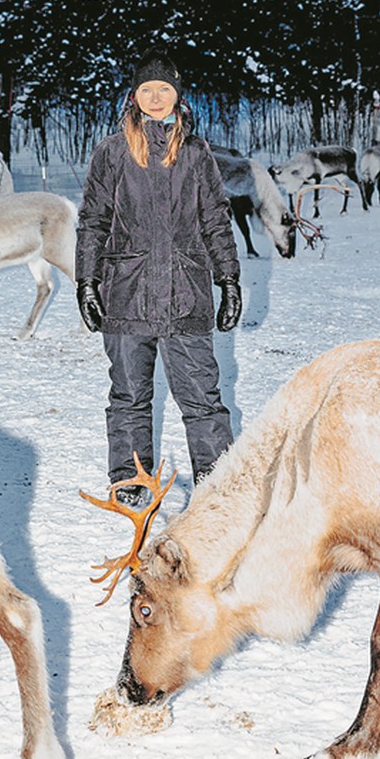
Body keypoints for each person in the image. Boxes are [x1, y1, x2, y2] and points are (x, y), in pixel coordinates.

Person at [75, 49, 242, 506]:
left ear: (177, 96)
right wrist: (86, 281)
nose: (155, 97)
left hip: (187, 294)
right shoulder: (111, 152)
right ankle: (130, 479)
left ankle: (216, 485)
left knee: (203, 398)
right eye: (146, 90)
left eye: (163, 89)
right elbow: (92, 220)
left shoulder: (195, 153)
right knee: (128, 394)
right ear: (134, 95)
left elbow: (216, 220)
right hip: (126, 294)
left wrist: (228, 278)